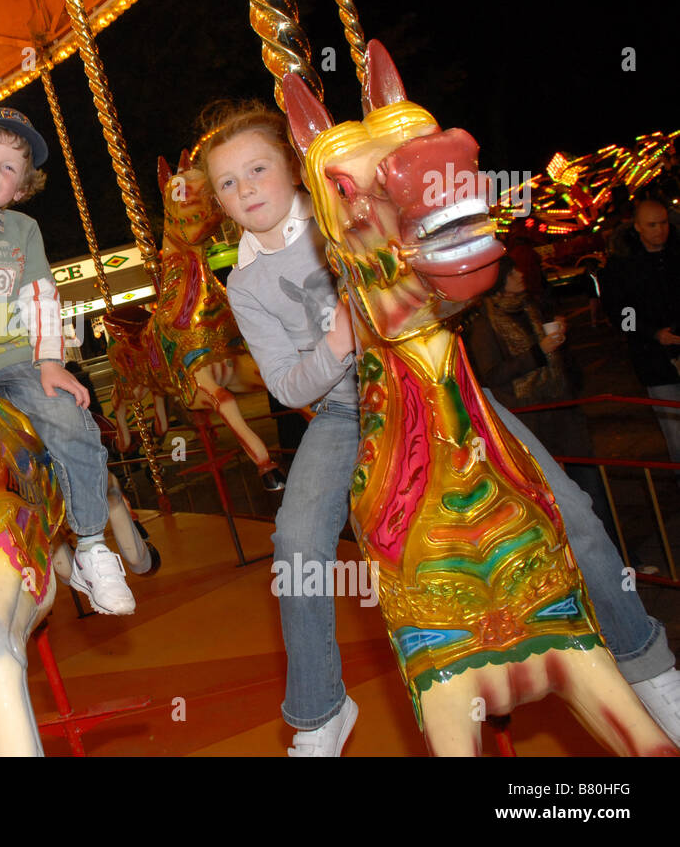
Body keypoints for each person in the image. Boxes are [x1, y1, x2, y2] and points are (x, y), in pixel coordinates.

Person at [206, 99, 680, 755]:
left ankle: (646, 661)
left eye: (257, 168)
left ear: (293, 169)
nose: (245, 188)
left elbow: (443, 279)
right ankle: (319, 711)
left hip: (433, 384)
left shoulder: (348, 207)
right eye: (227, 183)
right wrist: (338, 343)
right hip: (347, 409)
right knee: (295, 544)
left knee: (569, 507)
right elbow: (287, 386)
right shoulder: (246, 283)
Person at [0, 109, 135, 618]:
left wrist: (50, 362)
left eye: (8, 170)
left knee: (70, 417)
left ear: (20, 190)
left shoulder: (21, 230)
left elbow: (40, 296)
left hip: (12, 360)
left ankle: (90, 544)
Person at [463, 256, 613, 529]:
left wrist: (559, 337)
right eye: (512, 272)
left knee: (590, 484)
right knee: (553, 497)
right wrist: (539, 352)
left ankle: (617, 550)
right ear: (498, 279)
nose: (520, 274)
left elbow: (560, 357)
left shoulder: (532, 305)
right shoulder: (485, 321)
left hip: (561, 406)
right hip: (528, 418)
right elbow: (492, 374)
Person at [602, 198, 680, 487]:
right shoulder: (622, 268)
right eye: (652, 225)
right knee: (675, 433)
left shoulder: (675, 255)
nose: (660, 230)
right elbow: (621, 315)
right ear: (637, 227)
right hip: (656, 362)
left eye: (663, 224)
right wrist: (652, 334)